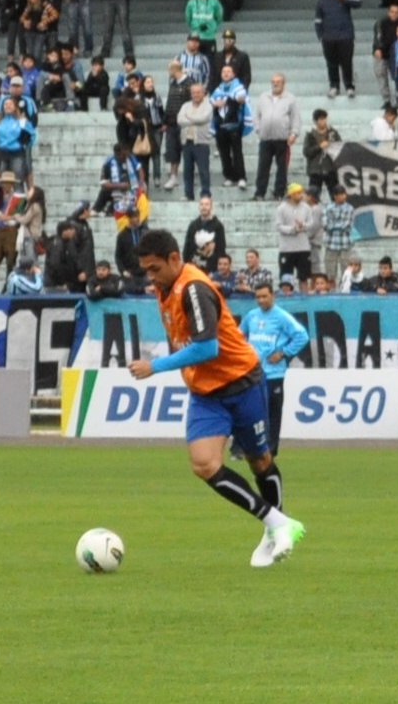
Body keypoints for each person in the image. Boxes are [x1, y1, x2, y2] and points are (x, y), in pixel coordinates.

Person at [127, 229, 302, 567]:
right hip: (206, 393)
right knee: (204, 464)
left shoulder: (194, 288)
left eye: (154, 269)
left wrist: (156, 366)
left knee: (260, 461)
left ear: (175, 259)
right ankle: (277, 522)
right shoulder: (164, 289)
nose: (150, 277)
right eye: (145, 270)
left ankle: (275, 530)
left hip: (242, 382)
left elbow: (209, 347)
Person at [241, 281, 310, 455]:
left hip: (273, 373)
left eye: (264, 296)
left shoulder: (282, 317)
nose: (261, 300)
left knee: (273, 412)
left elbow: (302, 336)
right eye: (258, 297)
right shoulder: (251, 316)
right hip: (253, 372)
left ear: (273, 295)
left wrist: (284, 353)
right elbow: (239, 336)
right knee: (251, 410)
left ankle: (271, 450)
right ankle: (249, 445)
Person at [251, 74, 299, 201]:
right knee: (262, 167)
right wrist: (258, 129)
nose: (275, 84)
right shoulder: (263, 97)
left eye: (278, 82)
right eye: (273, 81)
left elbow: (295, 118)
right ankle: (259, 193)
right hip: (265, 139)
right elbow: (256, 115)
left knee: (282, 168)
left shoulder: (290, 98)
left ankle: (279, 192)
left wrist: (294, 133)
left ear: (284, 83)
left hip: (282, 139)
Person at [314, 0, 362, 98]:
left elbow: (358, 2)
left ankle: (349, 87)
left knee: (346, 62)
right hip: (328, 38)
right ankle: (334, 86)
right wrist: (321, 36)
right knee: (331, 63)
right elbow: (318, 20)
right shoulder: (321, 1)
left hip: (345, 37)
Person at [274, 184, 317, 286]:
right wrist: (293, 229)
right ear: (291, 194)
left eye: (301, 192)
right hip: (287, 248)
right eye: (298, 193)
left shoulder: (306, 207)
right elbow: (278, 226)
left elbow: (311, 223)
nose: (301, 195)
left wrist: (303, 226)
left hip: (303, 248)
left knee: (304, 277)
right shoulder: (281, 208)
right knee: (286, 279)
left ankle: (306, 299)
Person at [182, 197, 228, 271]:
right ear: (199, 207)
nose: (204, 207)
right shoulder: (193, 225)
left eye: (207, 204)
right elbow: (187, 246)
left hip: (212, 268)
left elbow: (221, 248)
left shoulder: (218, 226)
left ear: (211, 207)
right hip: (195, 267)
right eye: (201, 204)